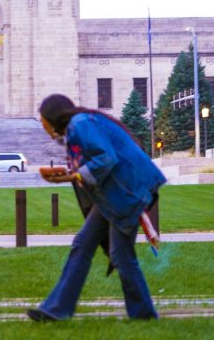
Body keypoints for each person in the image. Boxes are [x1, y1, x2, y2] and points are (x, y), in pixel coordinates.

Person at [28, 93, 166, 323]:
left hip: (126, 192)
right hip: (114, 194)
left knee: (121, 255)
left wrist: (72, 176)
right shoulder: (79, 126)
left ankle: (144, 314)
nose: (43, 126)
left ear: (52, 118)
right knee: (82, 245)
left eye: (43, 121)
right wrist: (68, 174)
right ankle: (56, 309)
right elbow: (93, 162)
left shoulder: (80, 124)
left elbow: (106, 158)